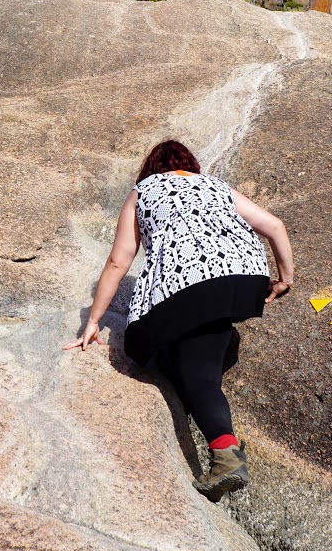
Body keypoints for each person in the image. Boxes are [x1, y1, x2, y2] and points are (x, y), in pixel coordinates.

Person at [63, 139, 295, 499]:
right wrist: (285, 278)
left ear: (151, 168)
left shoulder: (145, 190)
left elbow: (119, 261)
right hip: (242, 281)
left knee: (170, 360)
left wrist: (93, 321)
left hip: (188, 288)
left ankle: (226, 455)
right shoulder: (217, 186)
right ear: (190, 165)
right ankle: (222, 445)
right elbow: (275, 226)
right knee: (196, 353)